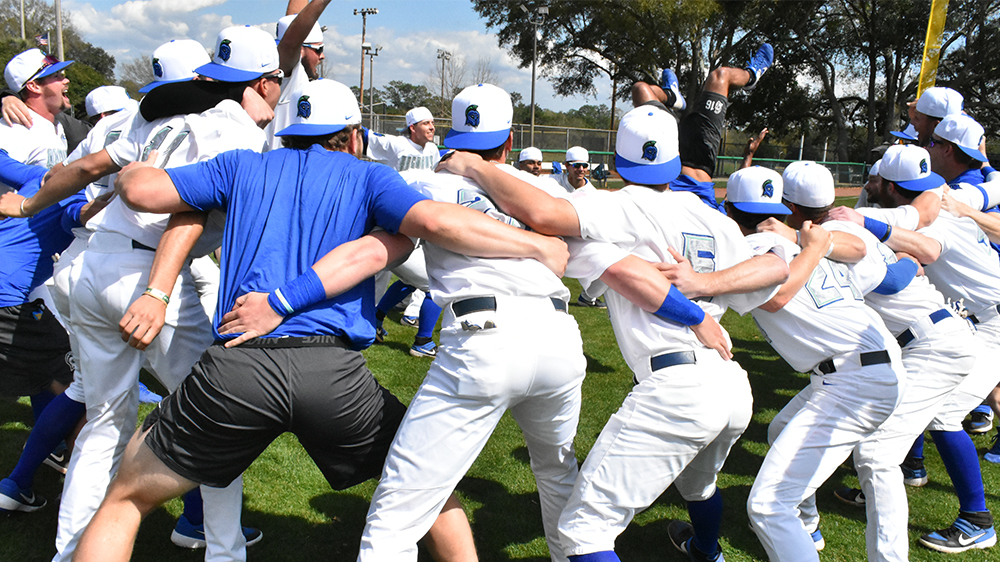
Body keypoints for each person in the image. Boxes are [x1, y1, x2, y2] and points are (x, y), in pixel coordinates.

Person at [73, 77, 568, 562]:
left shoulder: (242, 166)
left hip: (237, 367)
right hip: (334, 374)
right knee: (431, 488)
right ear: (354, 135)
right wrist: (537, 244)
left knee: (125, 501)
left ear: (284, 132)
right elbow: (437, 222)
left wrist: (129, 164)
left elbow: (141, 191)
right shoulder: (370, 176)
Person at [435, 104, 788, 562]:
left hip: (676, 384)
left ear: (619, 162)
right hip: (731, 384)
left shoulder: (611, 202)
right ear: (676, 161)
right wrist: (706, 286)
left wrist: (472, 165)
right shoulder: (714, 219)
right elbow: (776, 266)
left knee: (583, 532)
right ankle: (707, 551)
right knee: (698, 485)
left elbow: (541, 211)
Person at [0, 29, 284, 561]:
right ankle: (223, 548)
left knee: (105, 421)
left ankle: (71, 552)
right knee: (221, 415)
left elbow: (87, 168)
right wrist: (155, 290)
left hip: (93, 264)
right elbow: (188, 210)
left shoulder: (162, 114)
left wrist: (28, 205)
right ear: (265, 84)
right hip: (148, 271)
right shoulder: (233, 128)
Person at [357, 83, 592, 562]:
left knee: (396, 516)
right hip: (559, 337)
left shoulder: (428, 182)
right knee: (558, 475)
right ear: (508, 144)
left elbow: (410, 239)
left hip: (483, 336)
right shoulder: (544, 191)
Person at [772, 157, 986, 561]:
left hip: (932, 342)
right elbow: (919, 210)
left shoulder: (835, 232)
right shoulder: (852, 219)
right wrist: (907, 257)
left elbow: (888, 281)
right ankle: (804, 524)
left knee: (875, 455)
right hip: (918, 341)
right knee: (782, 427)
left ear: (790, 206)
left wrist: (905, 262)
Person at [831, 142, 1000, 554]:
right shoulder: (943, 199)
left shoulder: (933, 218)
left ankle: (977, 520)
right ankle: (906, 471)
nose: (869, 185)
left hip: (993, 321)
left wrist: (869, 223)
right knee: (917, 390)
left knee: (944, 411)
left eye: (874, 180)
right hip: (978, 316)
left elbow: (927, 249)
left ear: (889, 186)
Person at [631, 44, 774, 213]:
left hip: (670, 158)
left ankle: (673, 96)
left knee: (641, 89)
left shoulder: (663, 213)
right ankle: (751, 75)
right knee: (720, 76)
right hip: (703, 154)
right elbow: (736, 193)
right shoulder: (715, 219)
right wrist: (748, 155)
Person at [367, 104, 444, 354]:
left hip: (417, 224)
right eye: (425, 123)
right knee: (437, 284)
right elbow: (364, 135)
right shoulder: (397, 145)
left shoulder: (433, 150)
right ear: (412, 128)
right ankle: (422, 342)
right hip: (393, 227)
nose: (432, 127)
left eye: (432, 122)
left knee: (411, 281)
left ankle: (375, 321)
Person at [266, 0, 330, 149]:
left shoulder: (279, 73)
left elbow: (294, 21)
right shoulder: (284, 75)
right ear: (299, 49)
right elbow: (293, 38)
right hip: (276, 167)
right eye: (318, 48)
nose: (322, 56)